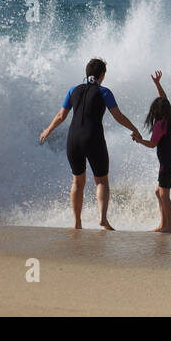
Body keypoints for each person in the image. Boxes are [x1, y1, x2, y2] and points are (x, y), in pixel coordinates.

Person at [39, 58, 143, 230]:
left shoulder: (73, 90)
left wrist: (47, 131)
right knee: (101, 181)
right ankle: (103, 219)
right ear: (102, 75)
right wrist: (135, 129)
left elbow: (60, 116)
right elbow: (119, 116)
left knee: (77, 182)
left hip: (73, 139)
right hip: (93, 138)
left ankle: (77, 223)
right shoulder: (104, 92)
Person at [134, 70, 171, 233]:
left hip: (167, 163)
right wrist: (158, 84)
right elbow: (165, 101)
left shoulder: (160, 124)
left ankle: (170, 226)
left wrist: (139, 140)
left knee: (164, 195)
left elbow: (152, 144)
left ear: (156, 111)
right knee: (158, 191)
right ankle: (163, 224)